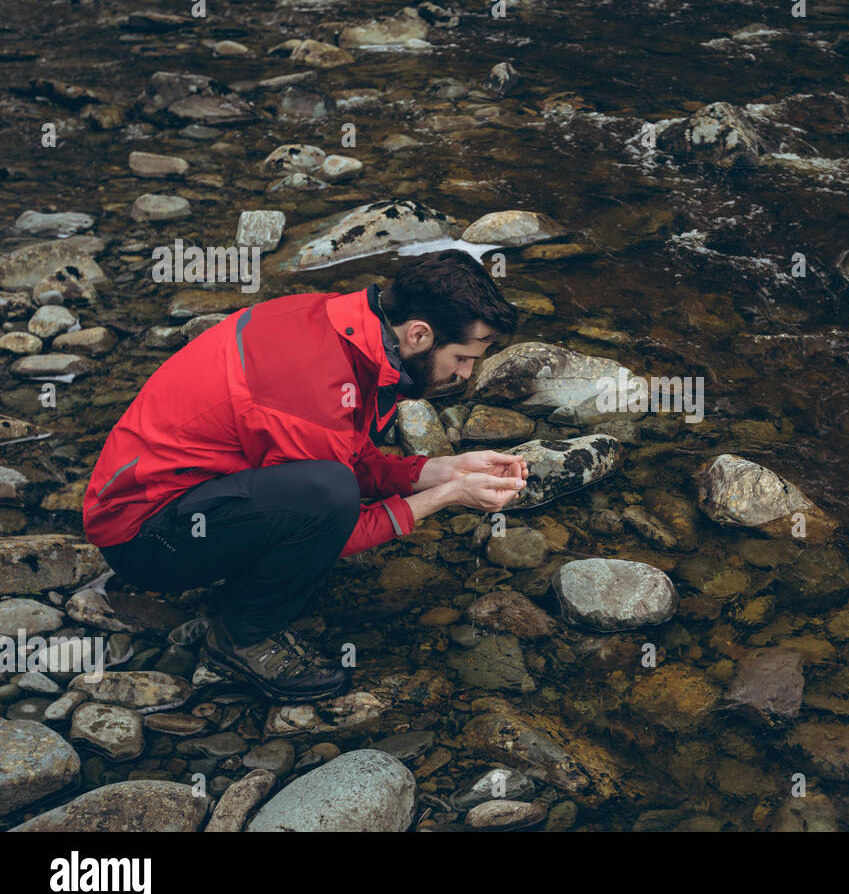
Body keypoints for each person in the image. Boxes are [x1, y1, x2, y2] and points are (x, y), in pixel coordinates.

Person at [81, 249, 529, 703]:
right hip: (144, 541)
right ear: (418, 334)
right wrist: (447, 496)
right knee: (328, 497)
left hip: (183, 494)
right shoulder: (313, 384)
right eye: (463, 357)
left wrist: (437, 470)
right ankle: (242, 640)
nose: (467, 373)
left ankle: (243, 578)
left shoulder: (337, 323)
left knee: (328, 488)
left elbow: (342, 457)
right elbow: (336, 521)